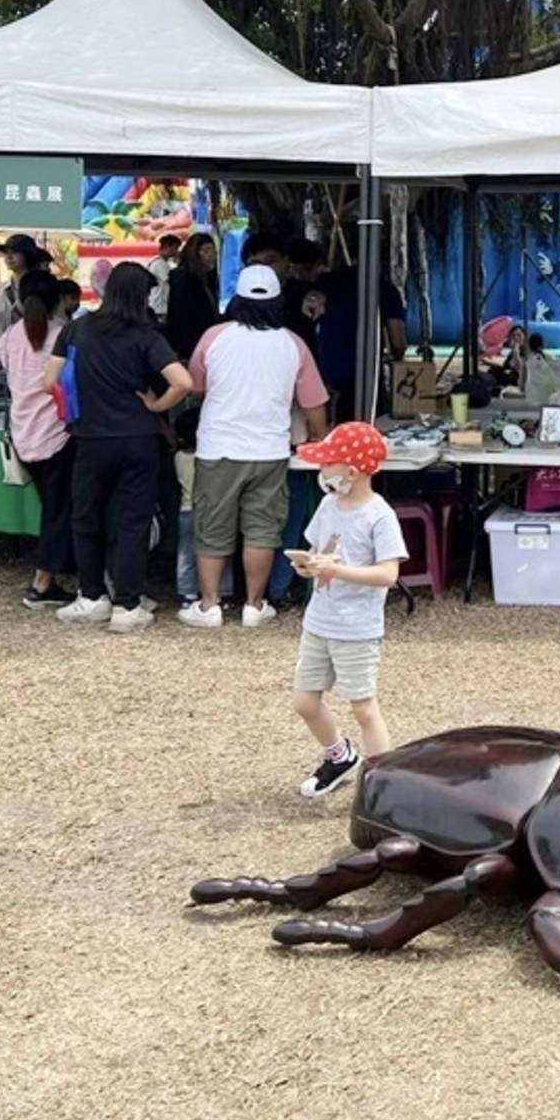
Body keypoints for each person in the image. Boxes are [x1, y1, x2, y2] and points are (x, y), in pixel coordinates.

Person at [178, 264, 331, 629]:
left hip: (218, 447)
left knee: (212, 527)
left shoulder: (214, 337)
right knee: (263, 529)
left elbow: (195, 387)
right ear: (278, 302)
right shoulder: (293, 343)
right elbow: (314, 405)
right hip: (270, 451)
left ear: (237, 301)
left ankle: (210, 605)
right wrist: (320, 437)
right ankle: (254, 605)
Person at [45, 264, 194, 633]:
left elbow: (50, 381)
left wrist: (79, 408)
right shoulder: (147, 336)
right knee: (133, 521)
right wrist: (156, 406)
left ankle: (91, 595)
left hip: (90, 439)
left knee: (86, 517)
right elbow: (183, 382)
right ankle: (128, 604)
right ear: (142, 297)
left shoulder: (76, 329)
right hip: (138, 438)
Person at [288, 422, 408, 799]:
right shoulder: (328, 505)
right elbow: (319, 548)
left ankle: (385, 785)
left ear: (351, 473)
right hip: (319, 620)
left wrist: (334, 569)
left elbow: (389, 574)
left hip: (356, 627)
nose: (321, 471)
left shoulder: (379, 515)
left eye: (327, 464)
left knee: (364, 708)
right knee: (305, 701)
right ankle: (340, 756)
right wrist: (308, 565)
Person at [0, 269, 78, 609]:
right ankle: (42, 583)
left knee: (53, 507)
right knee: (59, 510)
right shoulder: (63, 335)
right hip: (57, 433)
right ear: (57, 300)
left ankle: (57, 570)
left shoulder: (10, 337)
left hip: (24, 432)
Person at [313, 254, 409, 422]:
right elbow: (398, 341)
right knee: (370, 425)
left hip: (325, 371)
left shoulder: (326, 283)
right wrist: (398, 359)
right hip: (366, 372)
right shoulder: (384, 288)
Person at [172, 405, 235, 608]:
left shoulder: (179, 457)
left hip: (188, 508)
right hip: (216, 509)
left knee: (186, 553)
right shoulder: (216, 458)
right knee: (221, 551)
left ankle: (187, 592)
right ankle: (222, 593)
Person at [163, 231, 221, 359]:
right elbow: (180, 318)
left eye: (213, 251)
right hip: (190, 348)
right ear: (194, 253)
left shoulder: (208, 279)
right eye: (206, 251)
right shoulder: (184, 279)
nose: (212, 256)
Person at [0, 236, 51, 345]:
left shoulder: (41, 287)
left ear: (27, 255)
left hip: (27, 353)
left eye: (15, 252)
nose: (9, 257)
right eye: (6, 253)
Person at [147, 234, 181, 319]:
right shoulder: (159, 264)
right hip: (160, 306)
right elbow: (172, 279)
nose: (176, 251)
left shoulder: (161, 263)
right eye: (175, 248)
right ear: (167, 247)